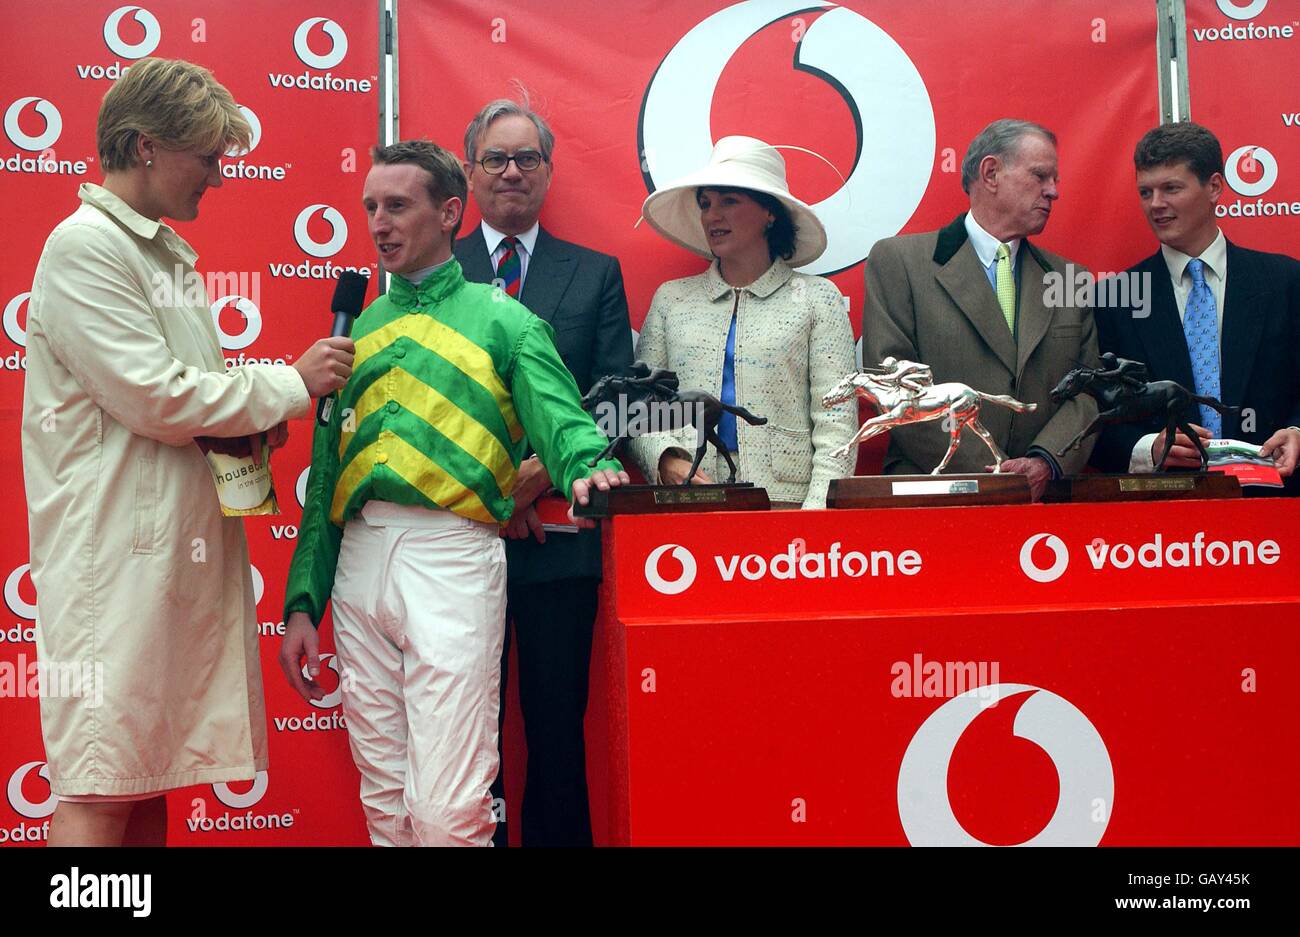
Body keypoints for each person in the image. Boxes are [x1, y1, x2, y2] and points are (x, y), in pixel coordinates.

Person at [20, 57, 353, 847]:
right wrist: (286, 384)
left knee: (147, 780)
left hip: (171, 557)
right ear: (144, 147)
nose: (219, 176)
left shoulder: (163, 252)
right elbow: (157, 396)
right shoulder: (85, 246)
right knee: (101, 786)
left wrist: (248, 426)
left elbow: (186, 401)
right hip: (116, 564)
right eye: (206, 156)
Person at [279, 139, 628, 847]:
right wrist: (301, 600)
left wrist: (587, 465)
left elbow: (563, 422)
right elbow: (325, 487)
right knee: (386, 806)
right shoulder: (352, 336)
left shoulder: (505, 320)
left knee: (448, 811)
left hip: (453, 554)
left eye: (397, 205)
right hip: (357, 566)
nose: (379, 222)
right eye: (371, 206)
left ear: (448, 211)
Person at [454, 96, 633, 847]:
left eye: (527, 157)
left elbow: (621, 402)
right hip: (457, 544)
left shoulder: (594, 275)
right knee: (466, 739)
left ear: (549, 171)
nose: (512, 171)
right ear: (469, 173)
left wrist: (534, 480)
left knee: (558, 734)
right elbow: (408, 409)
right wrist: (492, 491)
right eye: (496, 158)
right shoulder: (429, 272)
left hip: (559, 539)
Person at [862, 119, 1099, 500]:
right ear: (990, 173)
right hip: (933, 497)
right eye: (1040, 176)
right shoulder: (900, 263)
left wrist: (1044, 462)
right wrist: (995, 476)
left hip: (1044, 505)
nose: (1053, 191)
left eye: (1054, 179)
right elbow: (895, 386)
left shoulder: (1071, 279)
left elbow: (1090, 392)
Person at [629, 135, 858, 507]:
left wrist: (816, 517)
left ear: (770, 212)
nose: (712, 215)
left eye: (729, 201)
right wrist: (665, 458)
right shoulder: (672, 300)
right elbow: (639, 403)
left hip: (787, 507)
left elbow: (837, 425)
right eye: (705, 204)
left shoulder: (818, 299)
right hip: (687, 505)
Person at [1090, 121, 1300, 492]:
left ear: (1215, 186)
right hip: (1167, 528)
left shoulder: (1284, 281)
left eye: (1171, 188)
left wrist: (1298, 431)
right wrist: (1147, 448)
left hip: (1277, 511)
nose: (1156, 204)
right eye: (1145, 191)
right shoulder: (1114, 299)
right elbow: (1096, 417)